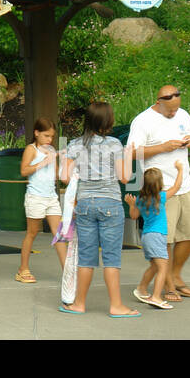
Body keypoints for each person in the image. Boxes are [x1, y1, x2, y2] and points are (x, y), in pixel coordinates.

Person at [125, 85, 190, 302]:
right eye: (169, 110)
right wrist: (163, 147)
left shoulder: (183, 114)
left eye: (176, 109)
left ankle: (175, 275)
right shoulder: (142, 121)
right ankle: (169, 285)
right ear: (159, 101)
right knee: (165, 238)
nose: (173, 113)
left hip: (185, 183)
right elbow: (131, 152)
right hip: (159, 188)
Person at [59, 101, 139, 317]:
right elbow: (124, 177)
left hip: (85, 204)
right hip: (110, 203)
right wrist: (129, 155)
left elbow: (65, 178)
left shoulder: (75, 145)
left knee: (86, 257)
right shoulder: (114, 145)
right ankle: (116, 306)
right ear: (108, 121)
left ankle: (79, 304)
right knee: (111, 258)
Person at [15, 118, 67, 284]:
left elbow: (57, 175)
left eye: (51, 137)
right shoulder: (31, 149)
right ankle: (23, 269)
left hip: (51, 197)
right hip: (35, 197)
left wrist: (66, 164)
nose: (49, 140)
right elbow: (24, 170)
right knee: (32, 232)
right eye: (46, 136)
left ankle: (67, 271)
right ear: (36, 133)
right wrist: (43, 162)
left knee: (59, 233)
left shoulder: (51, 150)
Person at [128, 161, 185, 310]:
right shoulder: (162, 197)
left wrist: (132, 205)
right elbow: (177, 186)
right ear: (160, 183)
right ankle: (156, 297)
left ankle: (141, 289)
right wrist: (180, 169)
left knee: (154, 266)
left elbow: (134, 216)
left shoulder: (141, 199)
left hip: (146, 236)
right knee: (163, 268)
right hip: (157, 236)